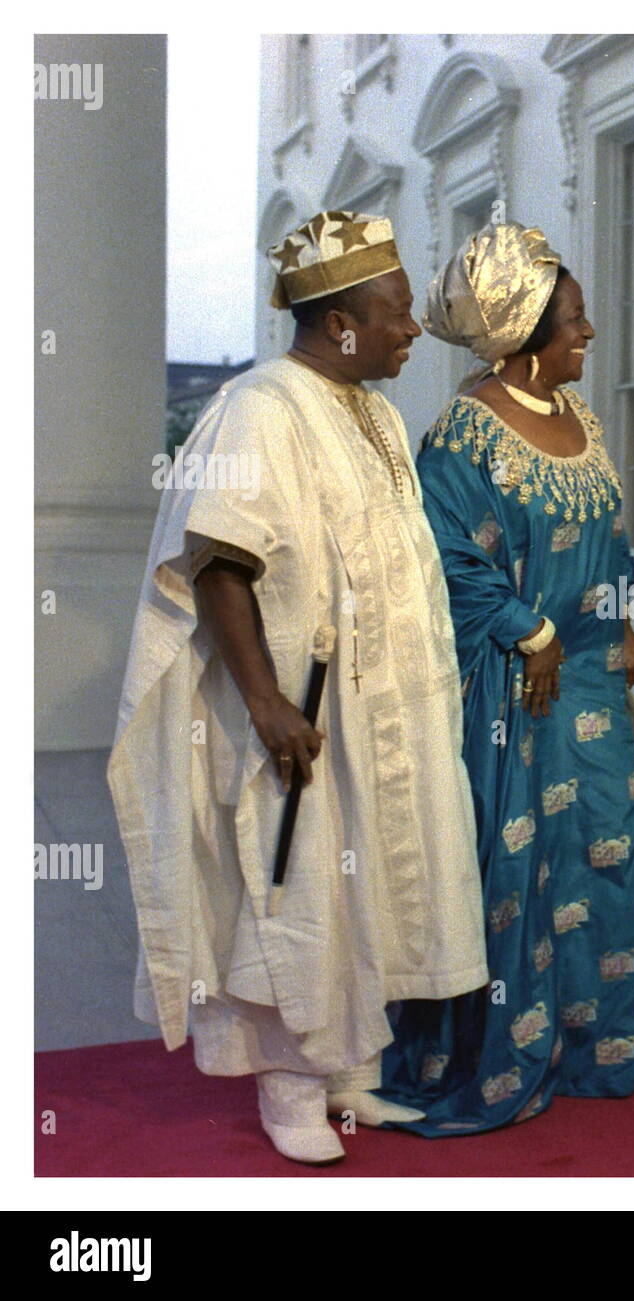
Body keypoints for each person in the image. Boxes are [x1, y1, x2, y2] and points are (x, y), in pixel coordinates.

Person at [108, 211, 488, 1165]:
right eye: (396, 313)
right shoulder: (261, 406)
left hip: (387, 708)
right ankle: (287, 1087)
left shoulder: (377, 412)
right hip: (306, 707)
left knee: (372, 885)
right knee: (302, 885)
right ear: (341, 320)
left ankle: (352, 1072)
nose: (412, 331)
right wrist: (270, 700)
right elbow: (220, 560)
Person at [379, 222, 634, 1133]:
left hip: (594, 685)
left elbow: (611, 542)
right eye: (575, 321)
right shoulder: (459, 434)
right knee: (517, 867)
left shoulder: (582, 423)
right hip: (517, 693)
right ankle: (506, 1049)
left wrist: (629, 627)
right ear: (524, 331)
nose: (589, 334)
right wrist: (531, 629)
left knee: (611, 854)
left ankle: (621, 1042)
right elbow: (444, 560)